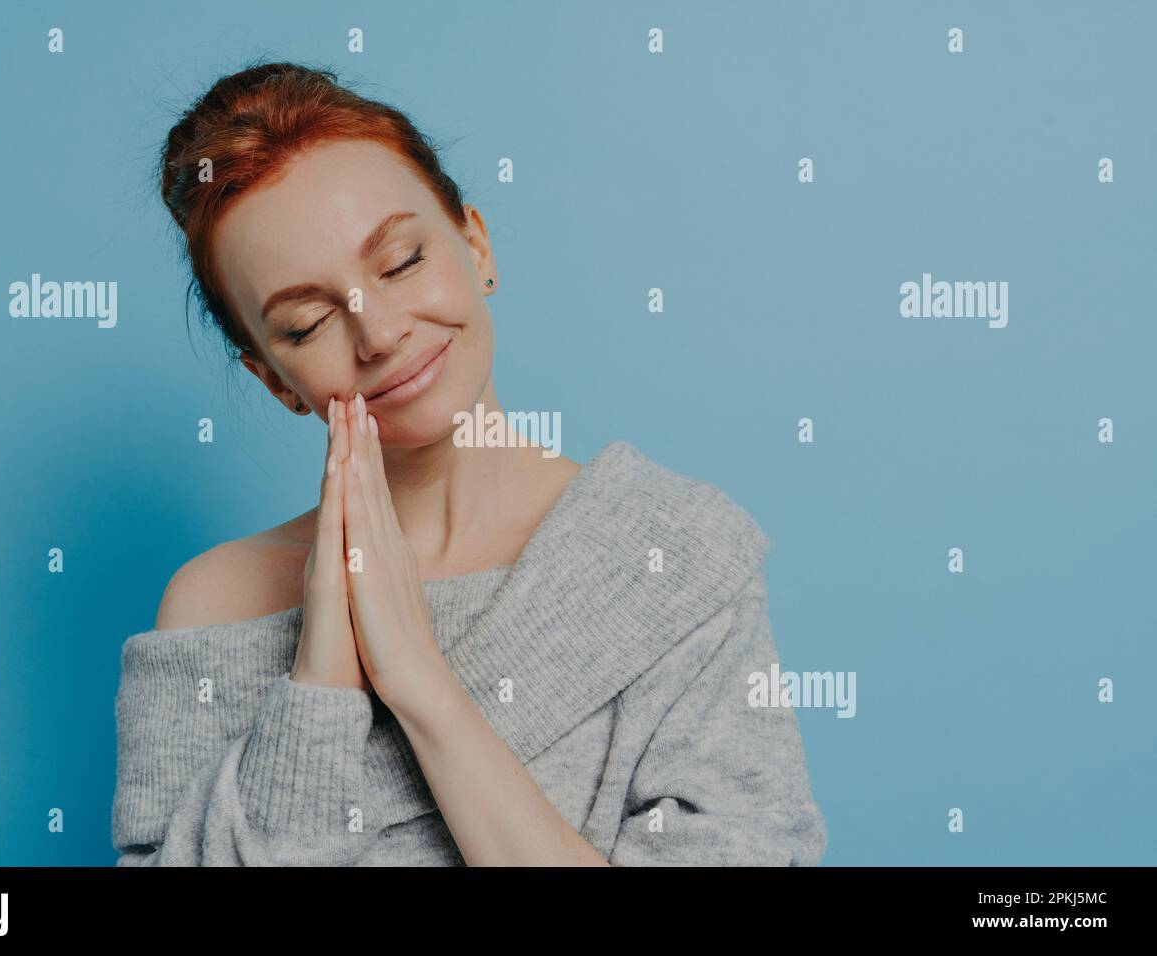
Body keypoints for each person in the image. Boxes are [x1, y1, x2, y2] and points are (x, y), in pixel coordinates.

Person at [112, 61, 828, 866]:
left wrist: (420, 681)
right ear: (273, 380)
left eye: (401, 262)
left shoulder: (679, 559)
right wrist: (318, 681)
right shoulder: (217, 610)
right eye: (308, 324)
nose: (378, 333)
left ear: (476, 243)